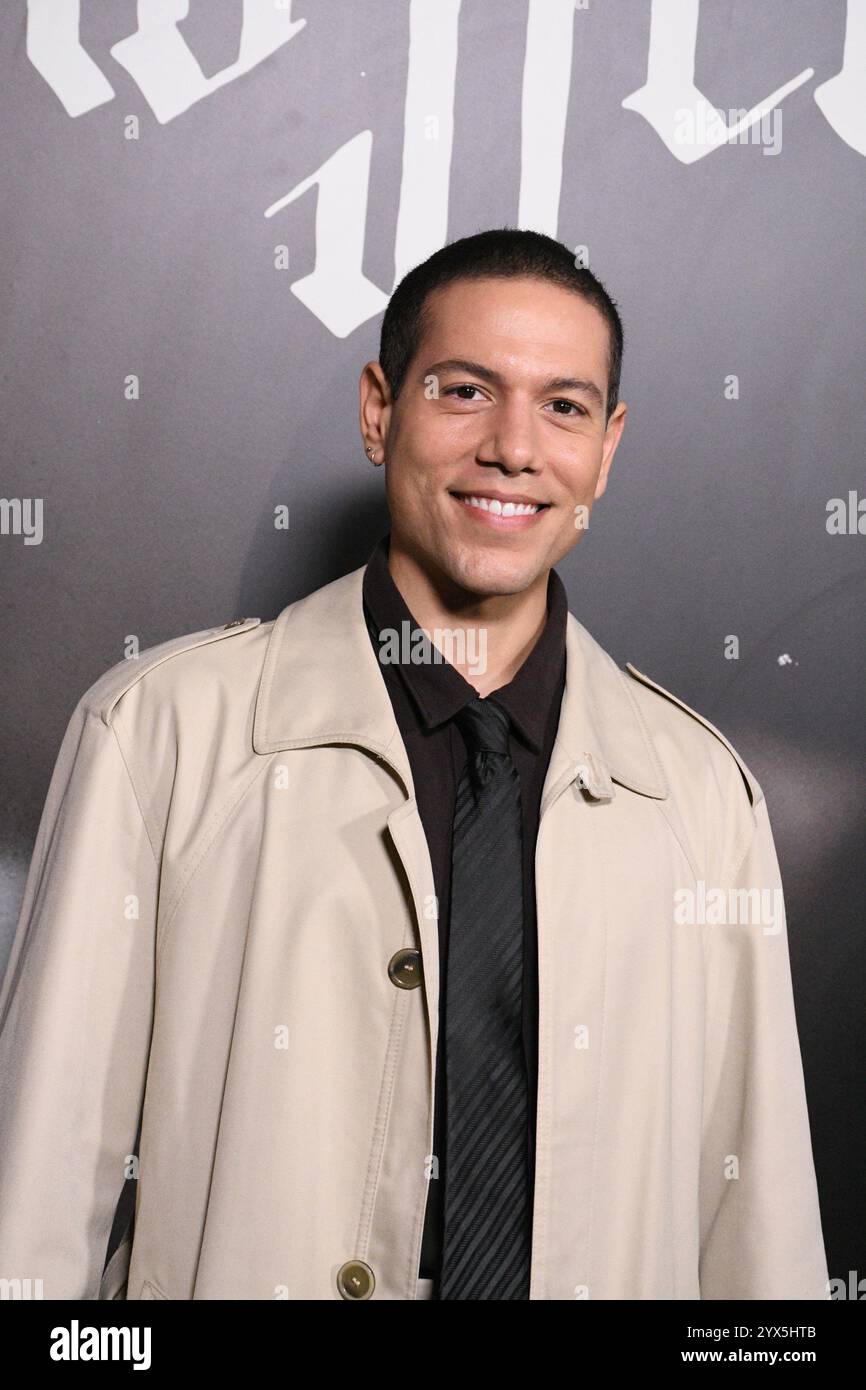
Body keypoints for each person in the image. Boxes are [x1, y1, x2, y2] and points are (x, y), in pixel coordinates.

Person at [0, 229, 828, 1300]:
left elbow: (754, 1221)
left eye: (563, 407)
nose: (514, 448)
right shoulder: (159, 731)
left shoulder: (704, 793)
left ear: (607, 450)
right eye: (464, 390)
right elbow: (38, 1193)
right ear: (378, 411)